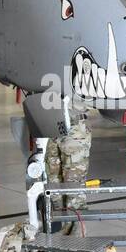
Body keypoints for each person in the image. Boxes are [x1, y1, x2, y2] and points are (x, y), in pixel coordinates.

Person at [45, 98, 91, 231]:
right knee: (52, 183)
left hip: (74, 127)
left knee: (73, 186)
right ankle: (57, 235)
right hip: (49, 125)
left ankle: (76, 240)